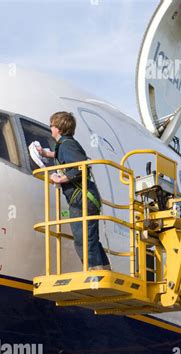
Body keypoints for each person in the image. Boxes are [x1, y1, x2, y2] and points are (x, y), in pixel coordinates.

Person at [37, 111, 111, 270]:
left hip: (82, 197)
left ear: (58, 128)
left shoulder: (67, 145)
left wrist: (61, 179)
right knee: (89, 238)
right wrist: (44, 153)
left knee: (83, 238)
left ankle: (95, 272)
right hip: (83, 197)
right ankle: (103, 269)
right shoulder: (64, 145)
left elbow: (80, 166)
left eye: (51, 125)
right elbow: (62, 156)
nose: (50, 129)